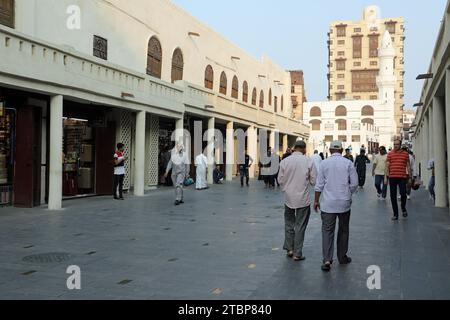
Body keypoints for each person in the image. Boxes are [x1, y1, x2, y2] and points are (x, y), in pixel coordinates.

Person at [314, 141, 358, 272]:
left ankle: (327, 259)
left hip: (328, 203)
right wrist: (348, 192)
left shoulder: (324, 163)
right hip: (344, 202)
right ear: (342, 150)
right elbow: (355, 183)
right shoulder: (348, 163)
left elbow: (319, 185)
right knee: (343, 230)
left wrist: (316, 200)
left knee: (327, 230)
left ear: (330, 150)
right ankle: (342, 256)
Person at [278, 140, 317, 261]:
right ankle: (297, 253)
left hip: (288, 198)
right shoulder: (309, 161)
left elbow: (280, 180)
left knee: (289, 223)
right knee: (300, 226)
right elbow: (314, 181)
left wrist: (286, 189)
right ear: (304, 149)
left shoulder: (285, 161)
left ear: (295, 148)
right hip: (303, 199)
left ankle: (289, 249)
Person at [385, 139, 410, 220]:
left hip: (402, 177)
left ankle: (403, 208)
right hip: (392, 177)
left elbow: (408, 166)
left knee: (403, 194)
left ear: (400, 145)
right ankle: (395, 214)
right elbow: (387, 166)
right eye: (394, 144)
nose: (395, 146)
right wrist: (386, 177)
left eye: (397, 144)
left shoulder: (405, 154)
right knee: (393, 196)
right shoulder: (390, 154)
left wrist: (410, 177)